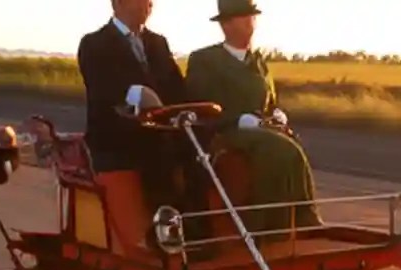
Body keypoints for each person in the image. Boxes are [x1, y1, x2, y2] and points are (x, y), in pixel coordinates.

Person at [184, 0, 322, 239]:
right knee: (279, 149)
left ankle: (295, 217)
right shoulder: (205, 60)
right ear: (226, 25)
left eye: (252, 17)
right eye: (244, 17)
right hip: (224, 133)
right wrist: (237, 120)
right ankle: (269, 225)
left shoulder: (259, 62)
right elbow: (199, 105)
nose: (251, 23)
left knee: (290, 143)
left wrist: (276, 114)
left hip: (261, 130)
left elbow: (269, 101)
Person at [77, 0, 188, 210]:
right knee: (159, 149)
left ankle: (201, 224)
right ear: (117, 4)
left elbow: (177, 89)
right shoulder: (94, 44)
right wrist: (140, 97)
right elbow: (104, 91)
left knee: (199, 146)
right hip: (116, 135)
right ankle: (162, 224)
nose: (148, 4)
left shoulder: (158, 43)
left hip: (162, 129)